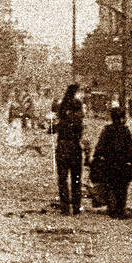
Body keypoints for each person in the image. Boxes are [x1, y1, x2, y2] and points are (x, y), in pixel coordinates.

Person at [90, 105, 132, 219]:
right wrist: (129, 160)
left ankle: (112, 208)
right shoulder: (125, 131)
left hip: (109, 164)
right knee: (122, 188)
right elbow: (131, 148)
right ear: (121, 118)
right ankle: (120, 209)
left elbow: (100, 146)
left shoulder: (107, 130)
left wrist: (97, 157)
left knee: (110, 186)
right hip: (122, 164)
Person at [54, 83, 85, 216]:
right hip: (75, 149)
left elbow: (52, 129)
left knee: (62, 179)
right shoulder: (78, 121)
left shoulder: (62, 120)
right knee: (76, 179)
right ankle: (76, 207)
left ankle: (65, 207)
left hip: (62, 147)